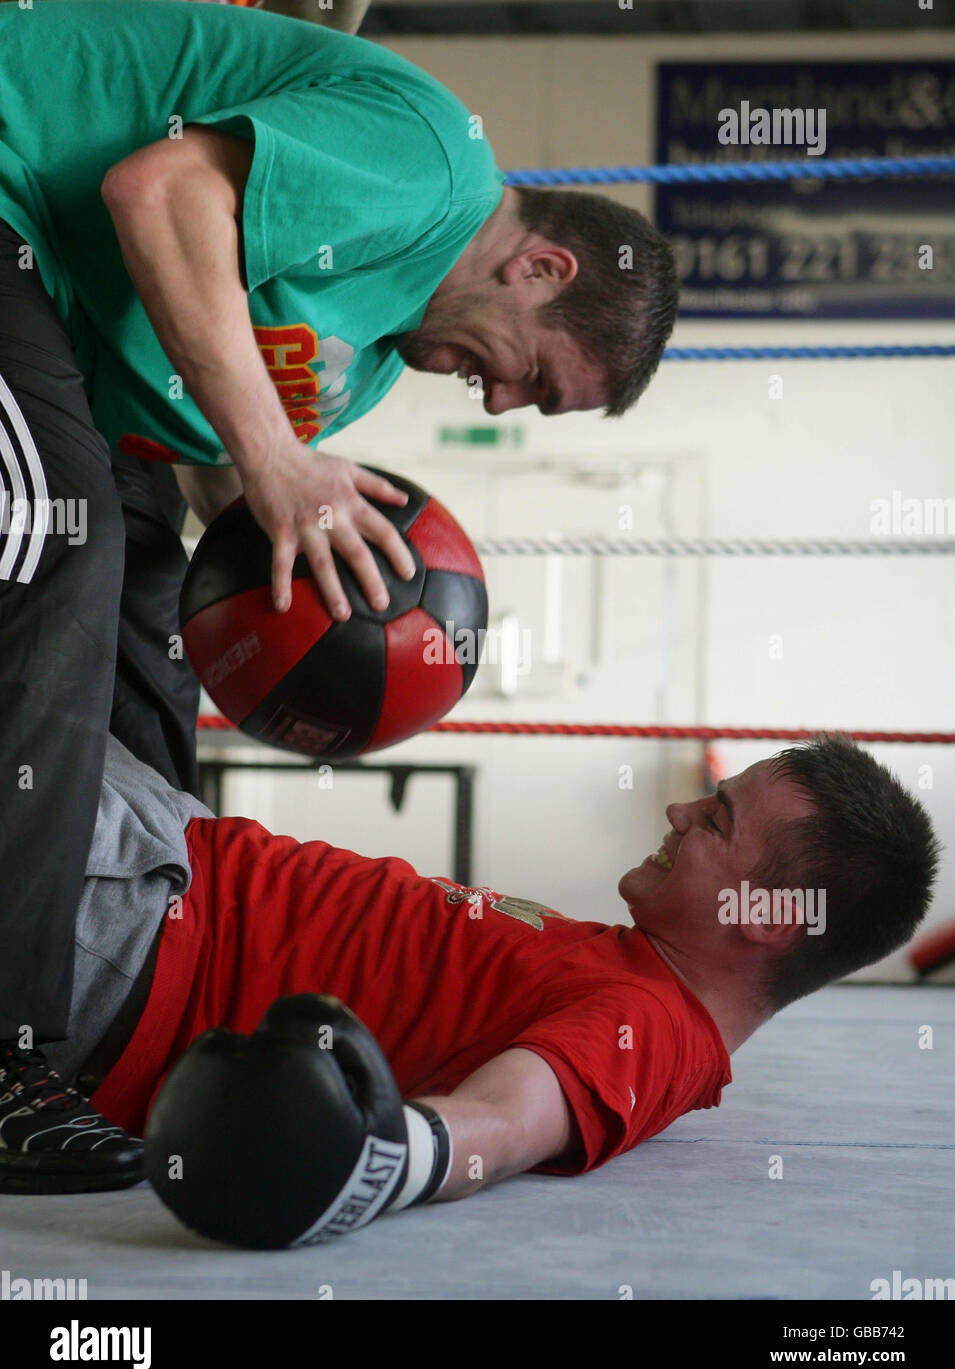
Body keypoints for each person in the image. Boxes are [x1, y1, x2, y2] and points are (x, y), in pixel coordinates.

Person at [0, 0, 679, 1185]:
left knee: (148, 610)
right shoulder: (432, 163)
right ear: (541, 265)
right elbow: (159, 194)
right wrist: (271, 462)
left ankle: (105, 1010)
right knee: (62, 536)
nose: (501, 406)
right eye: (537, 380)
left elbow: (208, 444)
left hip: (58, 324)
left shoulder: (360, 364)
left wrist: (275, 565)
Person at [0, 730, 937, 1207]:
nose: (682, 812)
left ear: (770, 918)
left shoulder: (652, 1028)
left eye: (717, 821)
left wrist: (369, 1159)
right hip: (169, 856)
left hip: (132, 921)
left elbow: (504, 1120)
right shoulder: (635, 970)